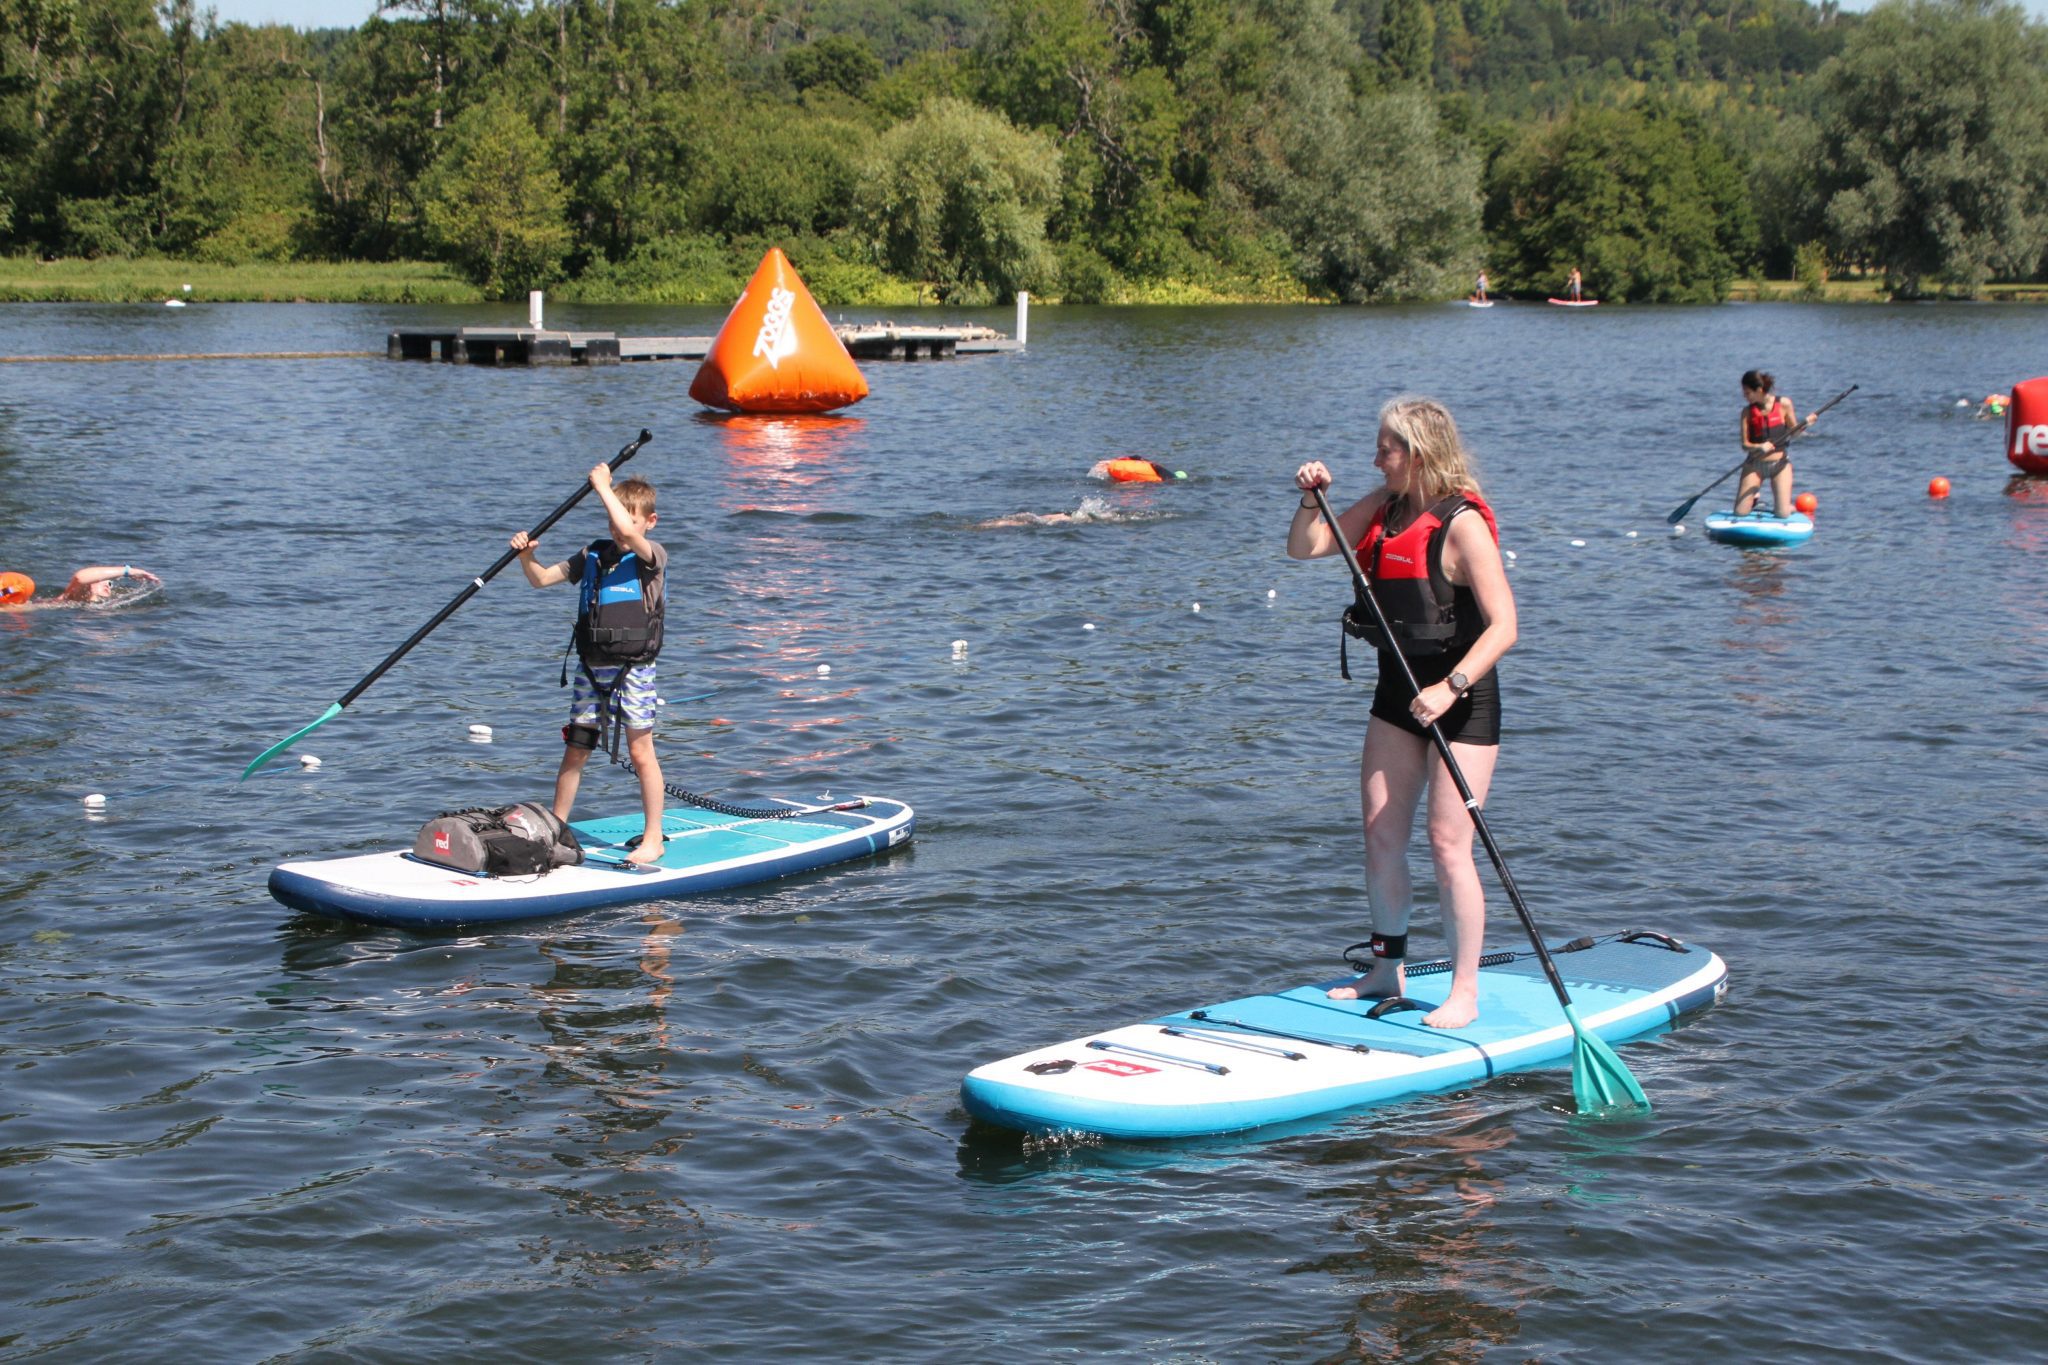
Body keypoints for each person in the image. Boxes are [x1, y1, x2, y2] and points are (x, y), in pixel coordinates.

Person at [1287, 398, 1517, 1030]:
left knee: (1448, 845)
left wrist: (1451, 685)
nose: (1375, 457)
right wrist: (1313, 496)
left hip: (1461, 699)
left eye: (1386, 448)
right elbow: (1303, 549)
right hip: (1396, 694)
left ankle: (1463, 991)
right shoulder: (1382, 510)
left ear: (1417, 453)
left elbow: (1505, 626)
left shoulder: (1462, 523)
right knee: (1381, 834)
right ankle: (1386, 968)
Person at [511, 466, 668, 865]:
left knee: (640, 751)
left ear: (650, 522)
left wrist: (602, 487)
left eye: (627, 519)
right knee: (576, 750)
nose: (617, 530)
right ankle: (556, 831)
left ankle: (653, 839)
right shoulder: (593, 555)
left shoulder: (652, 557)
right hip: (590, 669)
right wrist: (527, 557)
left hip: (633, 670)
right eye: (614, 519)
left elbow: (630, 534)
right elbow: (542, 579)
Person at [1734, 369, 1806, 516]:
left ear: (1759, 390)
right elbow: (1744, 445)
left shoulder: (1784, 404)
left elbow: (1795, 433)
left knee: (1782, 514)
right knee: (1740, 513)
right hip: (1754, 465)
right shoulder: (1747, 412)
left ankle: (1787, 507)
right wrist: (1759, 446)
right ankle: (1753, 499)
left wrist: (1805, 424)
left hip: (1780, 465)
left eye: (1747, 393)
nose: (1744, 396)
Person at [0, 565, 161, 609]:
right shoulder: (71, 598)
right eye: (104, 580)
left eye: (110, 583)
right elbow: (80, 577)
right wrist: (128, 570)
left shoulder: (101, 606)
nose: (108, 585)